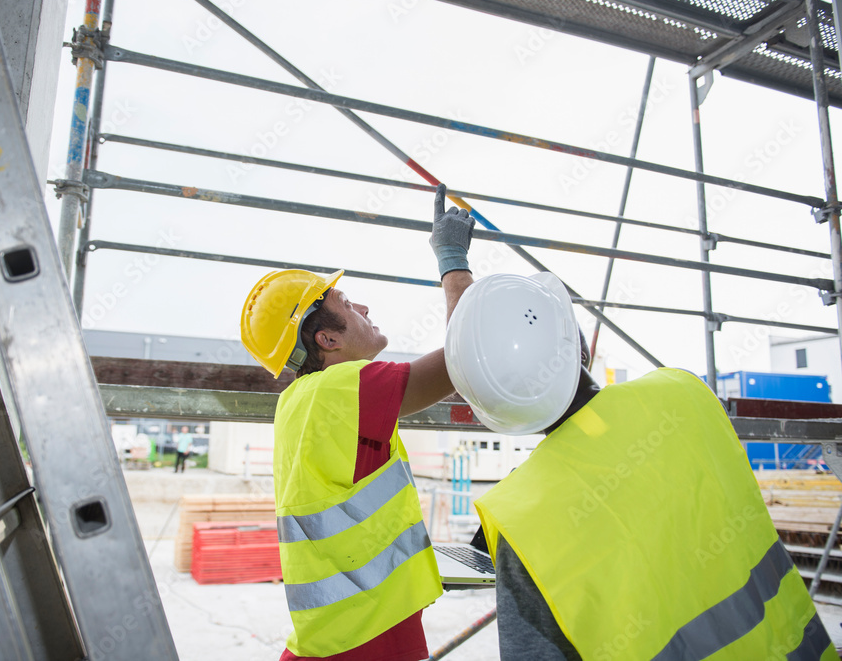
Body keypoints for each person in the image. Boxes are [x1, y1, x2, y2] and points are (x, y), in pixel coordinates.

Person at [443, 272, 835, 660]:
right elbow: (613, 450)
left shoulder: (522, 520)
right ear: (579, 344)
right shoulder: (686, 395)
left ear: (496, 413)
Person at [239, 185, 474, 661]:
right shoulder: (339, 389)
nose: (364, 308)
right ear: (327, 338)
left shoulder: (303, 401)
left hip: (345, 631)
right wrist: (453, 261)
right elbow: (466, 358)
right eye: (348, 303)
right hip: (365, 636)